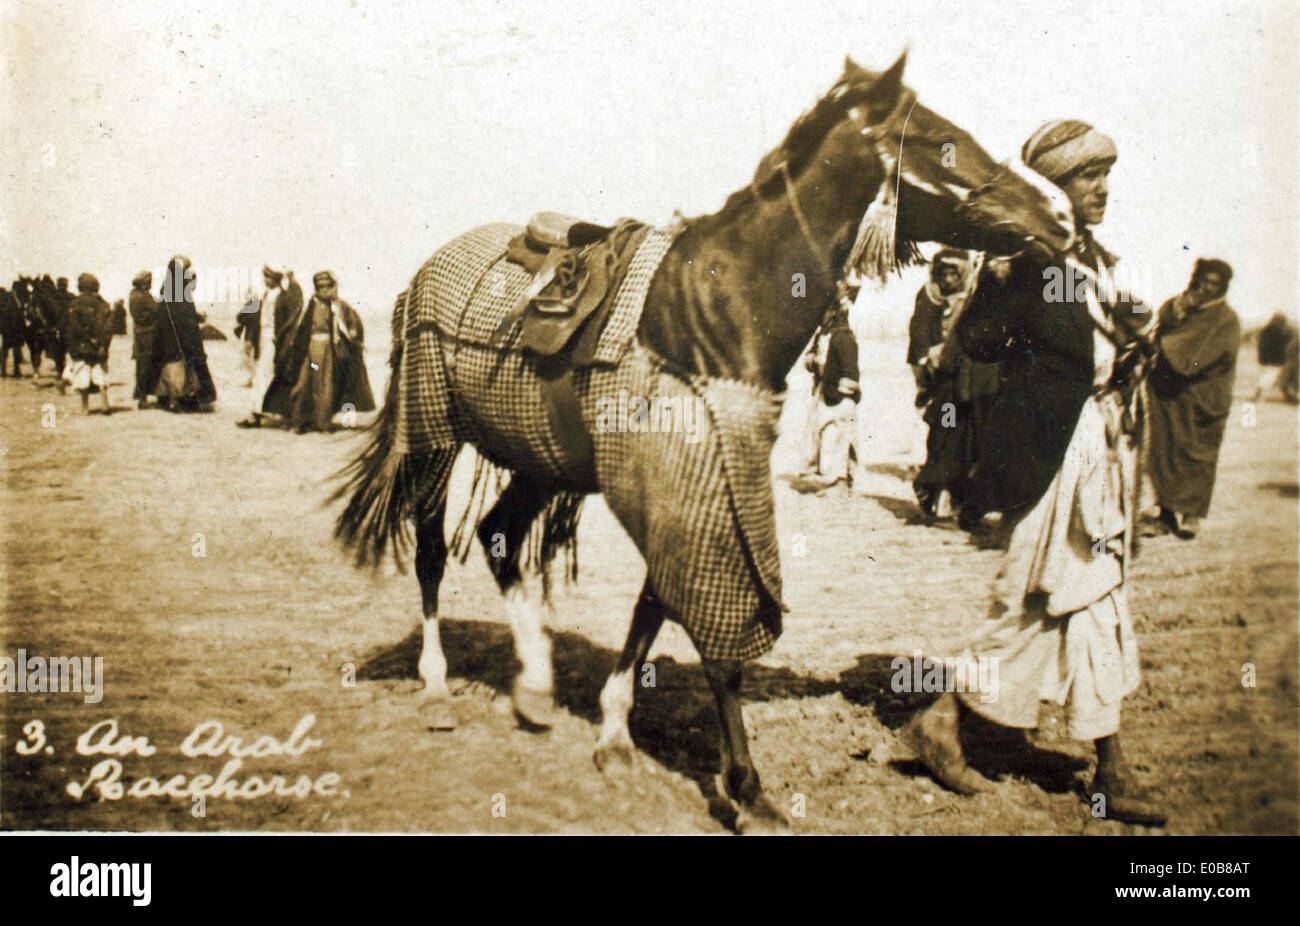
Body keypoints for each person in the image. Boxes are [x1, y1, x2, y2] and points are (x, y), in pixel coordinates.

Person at [903, 119, 1166, 825]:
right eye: (1087, 177)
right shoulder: (1030, 261)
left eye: (1106, 172)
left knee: (1080, 601)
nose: (1102, 186)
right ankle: (953, 719)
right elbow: (981, 343)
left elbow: (1105, 353)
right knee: (1052, 599)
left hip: (1093, 451)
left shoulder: (1094, 261)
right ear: (1054, 189)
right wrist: (997, 281)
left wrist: (1138, 332)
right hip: (1049, 456)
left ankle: (1100, 763)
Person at [1146, 259, 1241, 540]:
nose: (1207, 288)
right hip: (1170, 396)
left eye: (1214, 284)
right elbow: (1162, 321)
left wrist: (1172, 347)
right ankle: (1164, 515)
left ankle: (1191, 515)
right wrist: (1179, 309)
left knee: (1198, 456)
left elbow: (1199, 356)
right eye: (1203, 282)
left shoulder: (1226, 319)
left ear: (1222, 287)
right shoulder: (1182, 306)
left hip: (1204, 399)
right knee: (1165, 451)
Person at [909, 249, 1000, 527]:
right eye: (944, 274)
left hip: (967, 389)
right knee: (946, 438)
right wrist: (931, 363)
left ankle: (955, 502)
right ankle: (939, 498)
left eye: (953, 274)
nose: (948, 279)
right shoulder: (932, 298)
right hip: (948, 391)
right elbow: (922, 341)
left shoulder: (974, 302)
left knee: (964, 444)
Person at [261, 270, 374, 432]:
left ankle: (323, 423)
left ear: (333, 287)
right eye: (320, 287)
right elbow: (296, 327)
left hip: (330, 354)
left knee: (325, 385)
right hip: (310, 353)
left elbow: (353, 325)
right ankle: (298, 421)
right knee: (304, 382)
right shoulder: (310, 305)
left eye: (327, 286)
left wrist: (353, 333)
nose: (324, 290)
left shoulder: (339, 306)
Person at [806, 301, 861, 487]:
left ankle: (839, 478)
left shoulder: (843, 338)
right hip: (826, 391)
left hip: (840, 397)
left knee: (840, 435)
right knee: (824, 432)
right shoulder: (822, 335)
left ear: (834, 314)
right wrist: (813, 361)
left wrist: (842, 391)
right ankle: (828, 473)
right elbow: (812, 355)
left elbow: (850, 372)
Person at [236, 266, 298, 427]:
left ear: (276, 279)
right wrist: (251, 340)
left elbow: (290, 322)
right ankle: (258, 413)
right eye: (265, 277)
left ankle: (264, 415)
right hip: (263, 338)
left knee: (269, 374)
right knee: (261, 375)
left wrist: (284, 342)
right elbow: (256, 320)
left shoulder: (285, 297)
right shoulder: (265, 295)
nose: (265, 280)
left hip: (275, 339)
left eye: (268, 277)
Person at [153, 256, 217, 412]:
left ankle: (173, 398)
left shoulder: (171, 288)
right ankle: (176, 400)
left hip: (172, 335)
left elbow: (182, 312)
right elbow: (179, 315)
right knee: (178, 366)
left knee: (175, 365)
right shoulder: (177, 290)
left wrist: (195, 317)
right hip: (178, 335)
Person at [63, 273, 113, 414]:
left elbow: (73, 327)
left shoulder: (75, 305)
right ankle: (105, 404)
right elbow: (109, 327)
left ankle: (85, 407)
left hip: (81, 348)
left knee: (82, 377)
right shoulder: (104, 304)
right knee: (101, 375)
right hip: (100, 348)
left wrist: (87, 339)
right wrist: (103, 343)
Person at [1251, 312, 1299, 403]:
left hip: (1272, 360)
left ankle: (1288, 395)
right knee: (1272, 377)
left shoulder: (1267, 331)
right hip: (1275, 360)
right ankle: (1257, 395)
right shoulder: (1277, 332)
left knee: (1275, 377)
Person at [129, 271, 161, 407]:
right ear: (143, 283)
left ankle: (141, 396)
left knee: (141, 365)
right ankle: (143, 398)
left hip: (139, 334)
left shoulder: (133, 295)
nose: (150, 284)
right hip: (149, 334)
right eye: (148, 282)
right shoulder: (144, 296)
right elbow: (157, 309)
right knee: (148, 366)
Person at [0, 285, 23, 376]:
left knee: (5, 348)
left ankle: (3, 370)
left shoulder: (3, 302)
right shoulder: (14, 300)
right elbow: (20, 313)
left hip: (6, 329)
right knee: (16, 349)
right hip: (15, 328)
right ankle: (16, 370)